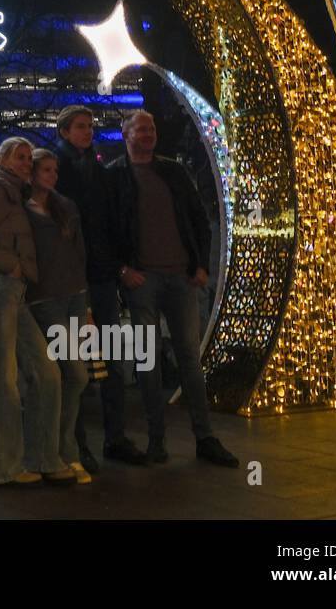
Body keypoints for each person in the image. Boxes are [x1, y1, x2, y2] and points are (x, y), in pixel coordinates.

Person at [108, 110, 238, 467]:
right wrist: (123, 270)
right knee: (149, 363)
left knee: (190, 361)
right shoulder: (115, 177)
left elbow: (199, 218)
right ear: (126, 134)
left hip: (181, 278)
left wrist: (199, 266)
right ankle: (156, 439)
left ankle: (205, 437)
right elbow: (105, 230)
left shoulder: (174, 172)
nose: (149, 134)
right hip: (143, 280)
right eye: (141, 129)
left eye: (152, 128)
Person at [0, 138, 75, 487]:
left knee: (46, 372)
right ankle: (3, 468)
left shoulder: (13, 194)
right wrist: (12, 266)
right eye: (20, 157)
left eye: (29, 157)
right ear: (4, 160)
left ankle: (43, 457)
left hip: (14, 292)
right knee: (1, 381)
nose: (27, 163)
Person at [54, 105, 145, 468]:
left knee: (109, 358)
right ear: (64, 131)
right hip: (72, 276)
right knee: (74, 362)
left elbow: (112, 222)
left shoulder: (99, 171)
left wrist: (116, 265)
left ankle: (113, 436)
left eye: (90, 126)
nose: (87, 132)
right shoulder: (57, 170)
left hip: (101, 274)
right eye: (80, 127)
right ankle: (77, 443)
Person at [25, 148, 93, 484]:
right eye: (46, 170)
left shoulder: (65, 207)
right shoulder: (23, 211)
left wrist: (88, 303)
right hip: (46, 299)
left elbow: (79, 254)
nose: (52, 176)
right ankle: (63, 451)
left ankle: (57, 450)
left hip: (74, 296)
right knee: (75, 374)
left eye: (55, 170)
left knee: (72, 376)